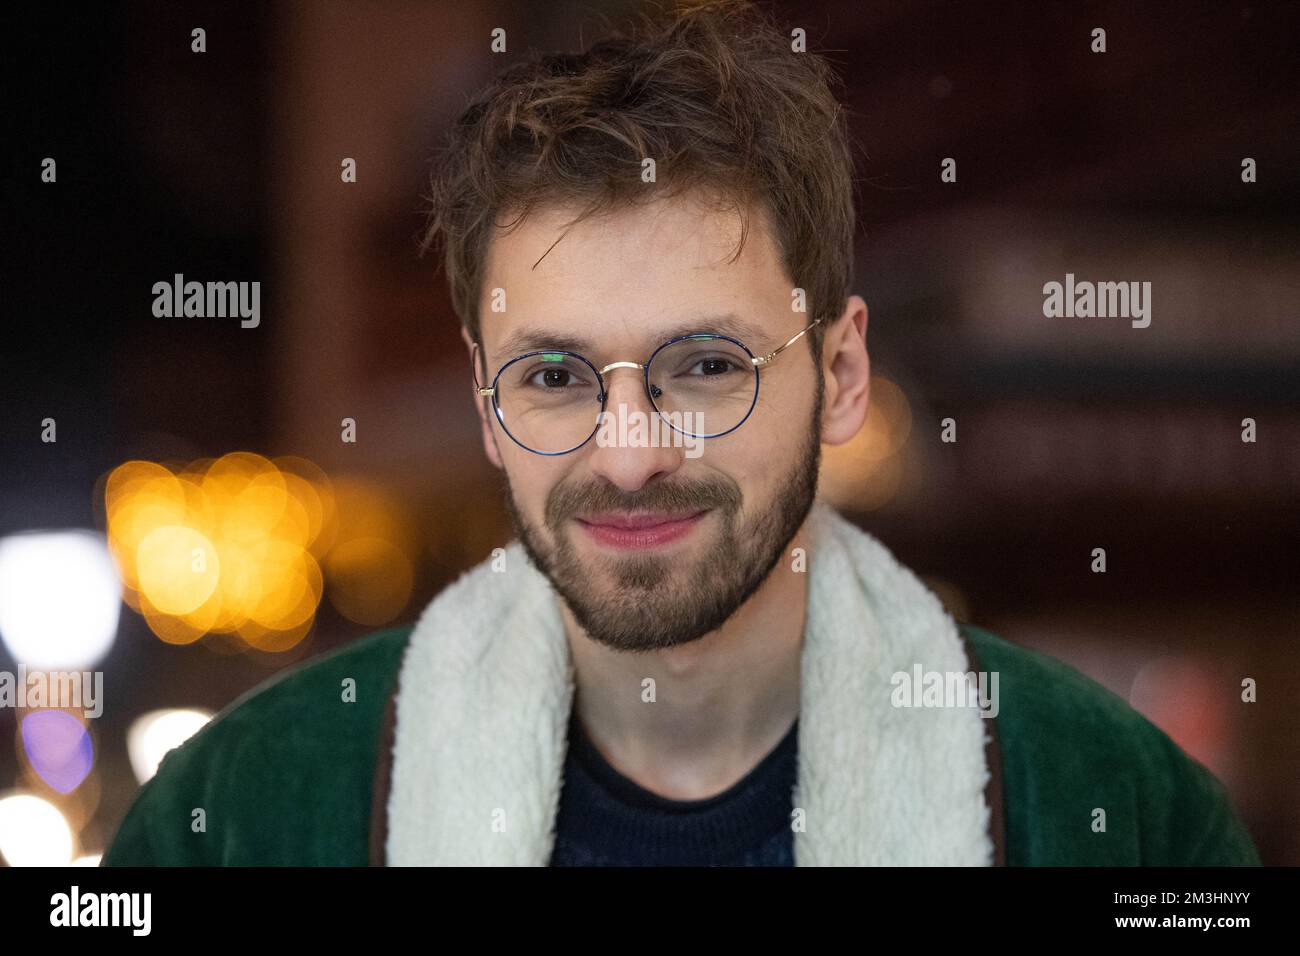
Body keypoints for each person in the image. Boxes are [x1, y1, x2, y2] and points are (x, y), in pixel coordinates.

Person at [102, 0, 1258, 867]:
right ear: (486, 405)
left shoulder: (1113, 810)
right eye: (553, 375)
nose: (627, 451)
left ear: (842, 372)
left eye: (704, 365)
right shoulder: (246, 813)